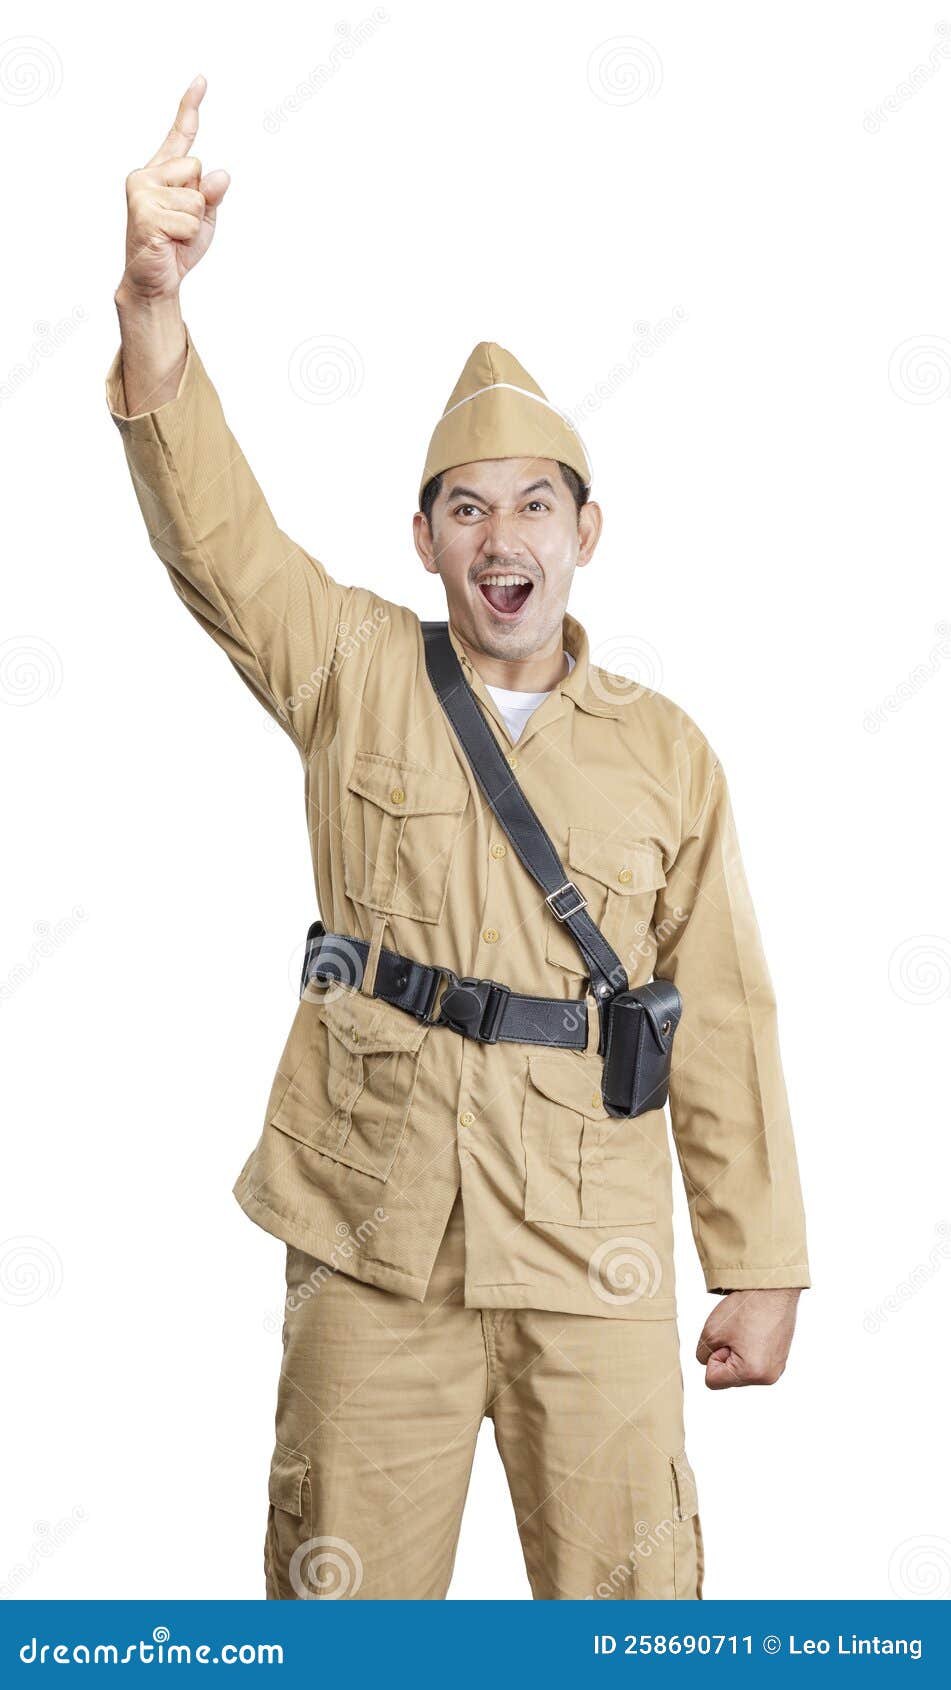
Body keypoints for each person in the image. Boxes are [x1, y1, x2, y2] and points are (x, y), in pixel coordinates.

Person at [106, 75, 811, 1602]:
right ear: (423, 538)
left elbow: (728, 1015)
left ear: (585, 532)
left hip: (593, 1245)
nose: (506, 540)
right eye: (469, 510)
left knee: (633, 1616)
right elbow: (212, 532)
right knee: (341, 1618)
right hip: (377, 1233)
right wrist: (153, 302)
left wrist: (757, 1259)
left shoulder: (667, 753)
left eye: (537, 506)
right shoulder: (352, 668)